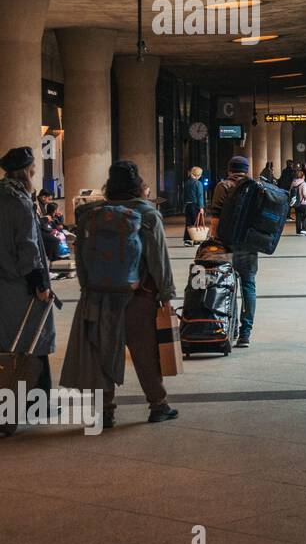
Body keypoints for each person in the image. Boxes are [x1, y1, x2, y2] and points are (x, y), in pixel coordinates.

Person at [60, 160, 177, 427]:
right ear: (138, 185)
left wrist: (87, 288)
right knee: (145, 353)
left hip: (99, 295)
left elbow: (81, 258)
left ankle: (105, 410)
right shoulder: (147, 215)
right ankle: (158, 405)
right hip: (138, 297)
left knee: (103, 353)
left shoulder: (90, 215)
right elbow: (159, 258)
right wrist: (166, 294)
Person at [0, 147, 55, 409]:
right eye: (33, 165)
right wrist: (40, 284)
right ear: (27, 169)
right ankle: (38, 401)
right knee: (35, 339)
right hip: (22, 284)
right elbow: (27, 245)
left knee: (8, 343)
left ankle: (10, 398)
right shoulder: (18, 200)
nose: (35, 169)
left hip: (4, 281)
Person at [209, 156, 258, 348]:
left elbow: (216, 218)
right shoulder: (255, 187)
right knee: (248, 286)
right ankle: (245, 333)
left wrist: (213, 242)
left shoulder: (223, 186)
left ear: (230, 170)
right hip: (249, 244)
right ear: (246, 170)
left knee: (227, 286)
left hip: (227, 243)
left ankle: (231, 328)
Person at [182, 166, 206, 247]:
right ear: (198, 175)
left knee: (188, 223)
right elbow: (200, 196)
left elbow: (183, 195)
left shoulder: (186, 183)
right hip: (195, 205)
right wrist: (201, 207)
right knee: (197, 222)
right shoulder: (198, 183)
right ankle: (196, 241)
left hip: (188, 205)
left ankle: (187, 240)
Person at [290, 169, 306, 237]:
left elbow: (290, 191)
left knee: (298, 217)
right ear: (302, 176)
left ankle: (298, 231)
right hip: (303, 202)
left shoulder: (293, 182)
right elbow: (304, 193)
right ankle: (304, 229)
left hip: (296, 203)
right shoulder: (303, 183)